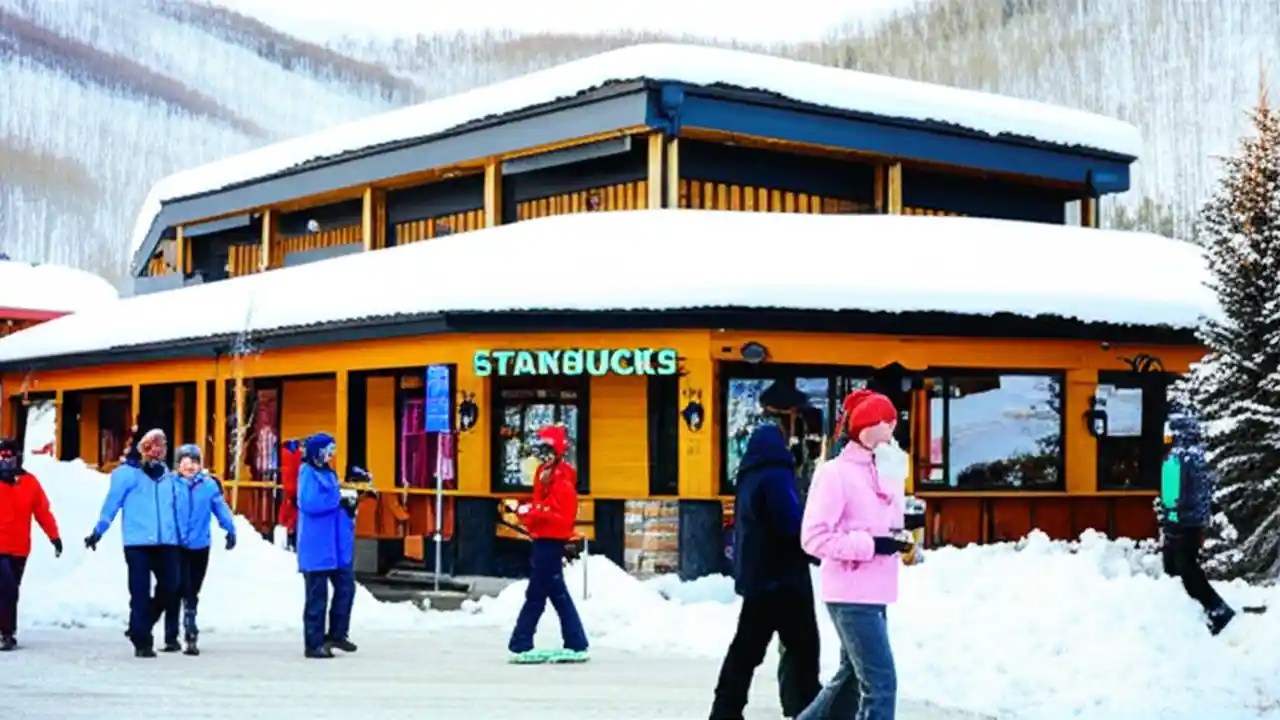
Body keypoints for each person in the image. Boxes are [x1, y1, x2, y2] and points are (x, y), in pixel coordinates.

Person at [798, 390, 913, 720]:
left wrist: (899, 538)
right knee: (881, 683)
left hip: (875, 591)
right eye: (887, 422)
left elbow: (885, 525)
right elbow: (814, 537)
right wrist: (870, 545)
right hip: (849, 593)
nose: (893, 429)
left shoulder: (881, 470)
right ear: (868, 427)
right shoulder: (835, 473)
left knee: (850, 678)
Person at [709, 424, 820, 720]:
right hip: (785, 581)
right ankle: (807, 708)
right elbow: (789, 524)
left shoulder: (748, 476)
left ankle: (725, 710)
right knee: (804, 650)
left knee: (745, 653)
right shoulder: (776, 476)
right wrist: (814, 544)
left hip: (758, 580)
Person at [85, 428, 183, 658]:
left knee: (171, 586)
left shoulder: (168, 476)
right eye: (150, 445)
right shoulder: (126, 474)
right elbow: (112, 504)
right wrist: (98, 530)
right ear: (140, 448)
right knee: (140, 591)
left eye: (161, 445)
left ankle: (141, 624)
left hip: (166, 542)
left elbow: (177, 509)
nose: (156, 450)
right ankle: (143, 642)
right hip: (137, 543)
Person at [507, 424, 589, 664]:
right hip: (542, 538)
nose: (543, 455)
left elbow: (561, 514)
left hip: (551, 540)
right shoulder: (545, 473)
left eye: (548, 449)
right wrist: (529, 513)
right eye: (541, 449)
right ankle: (575, 641)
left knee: (539, 593)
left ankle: (521, 641)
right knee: (553, 592)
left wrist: (530, 510)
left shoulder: (561, 478)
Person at [1158, 399, 1236, 635]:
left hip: (1180, 521)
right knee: (1183, 564)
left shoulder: (1177, 457)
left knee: (1180, 566)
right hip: (1195, 521)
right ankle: (1194, 608)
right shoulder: (1201, 455)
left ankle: (1215, 608)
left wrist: (1170, 517)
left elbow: (1171, 494)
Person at [169, 444, 237, 655]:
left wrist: (230, 529)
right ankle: (172, 635)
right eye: (185, 463)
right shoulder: (169, 485)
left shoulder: (208, 486)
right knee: (176, 588)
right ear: (178, 465)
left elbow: (220, 508)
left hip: (200, 545)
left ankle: (190, 626)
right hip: (175, 545)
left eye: (194, 463)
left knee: (192, 589)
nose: (190, 467)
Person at [297, 433, 357, 659]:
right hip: (316, 547)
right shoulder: (307, 473)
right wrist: (338, 501)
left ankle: (337, 634)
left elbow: (333, 501)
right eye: (328, 450)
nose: (331, 455)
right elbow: (310, 503)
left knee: (346, 588)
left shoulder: (328, 472)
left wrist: (348, 506)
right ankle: (313, 643)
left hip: (336, 545)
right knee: (317, 597)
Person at [0, 437, 62, 651]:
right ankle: (6, 633)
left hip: (19, 548)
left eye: (9, 455)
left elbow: (42, 512)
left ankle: (7, 630)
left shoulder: (30, 483)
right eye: (2, 456)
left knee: (12, 590)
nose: (5, 460)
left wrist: (54, 537)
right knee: (6, 587)